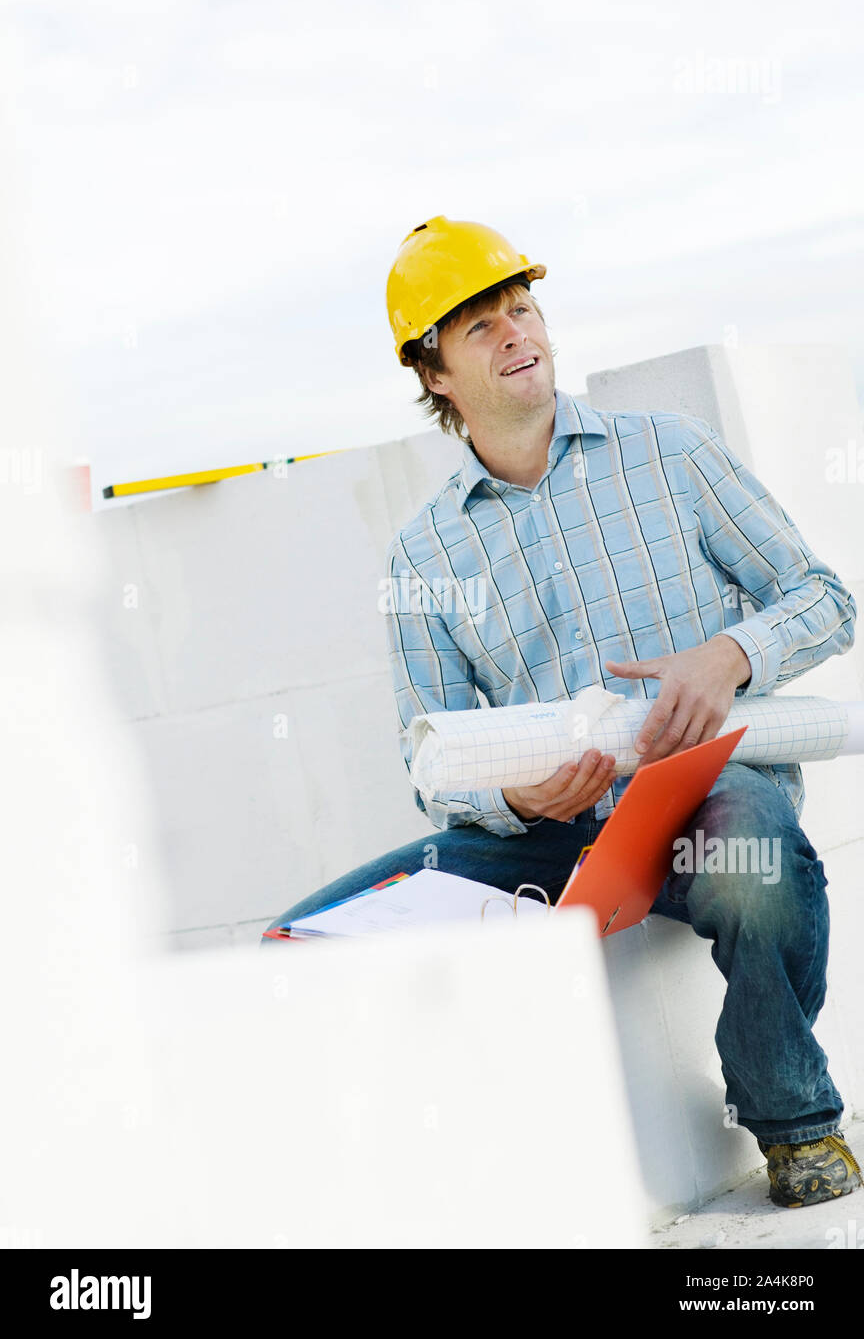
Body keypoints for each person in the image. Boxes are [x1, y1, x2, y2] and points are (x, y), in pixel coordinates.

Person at [264, 215, 862, 1209]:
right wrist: (516, 795)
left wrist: (727, 656)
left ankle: (793, 1117)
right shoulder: (426, 556)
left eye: (522, 307)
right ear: (436, 374)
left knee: (760, 857)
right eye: (480, 326)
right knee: (309, 936)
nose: (515, 331)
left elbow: (826, 598)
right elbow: (430, 761)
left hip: (702, 802)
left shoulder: (670, 455)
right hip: (551, 831)